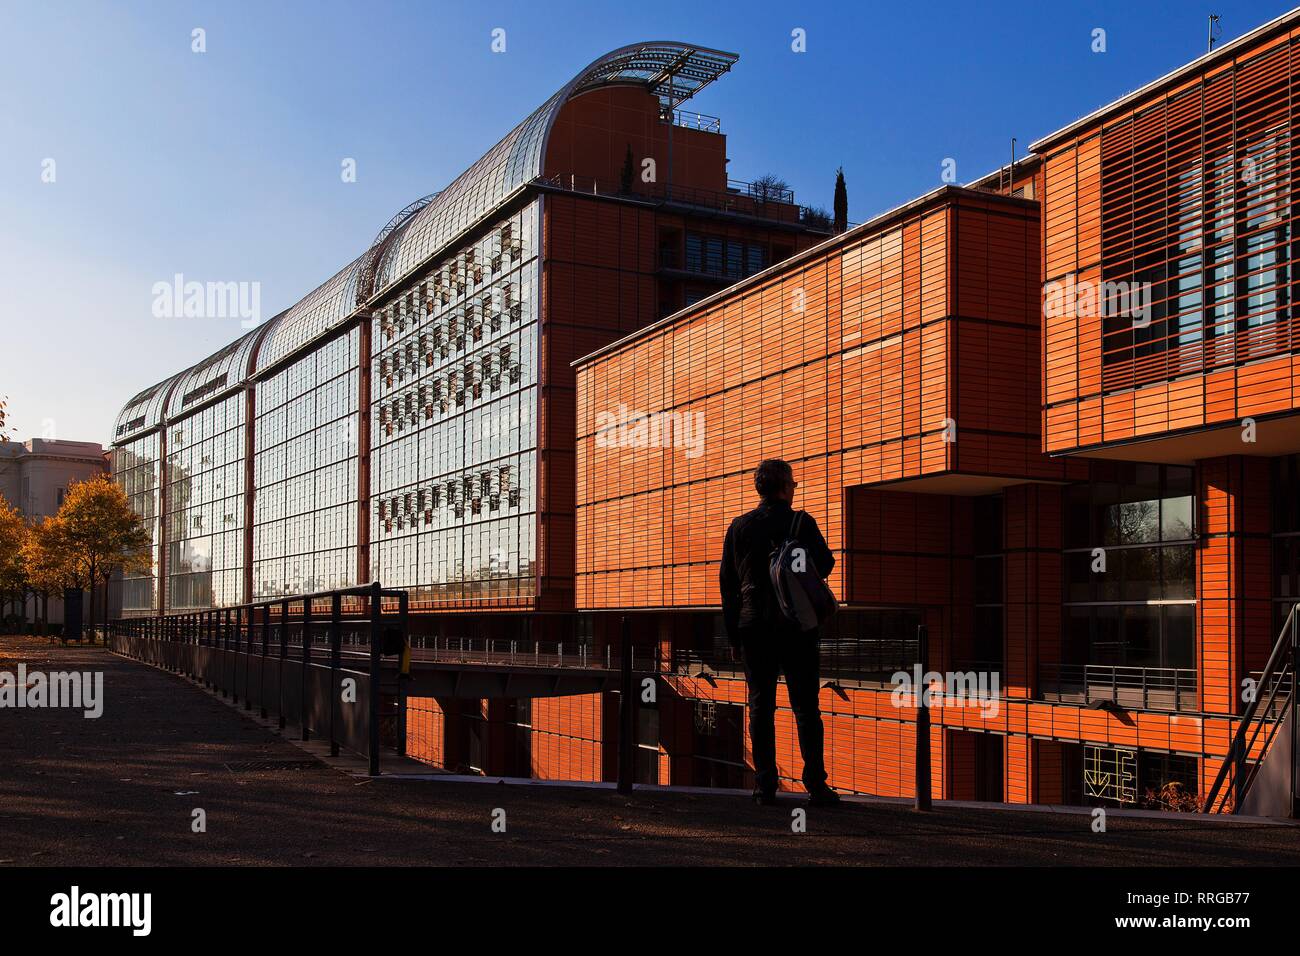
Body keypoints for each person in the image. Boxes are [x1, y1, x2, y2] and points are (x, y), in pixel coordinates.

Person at [719, 459, 840, 807]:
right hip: (797, 626)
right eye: (793, 483)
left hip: (754, 625)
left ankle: (764, 786)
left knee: (760, 707)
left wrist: (733, 637)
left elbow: (728, 584)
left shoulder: (739, 527)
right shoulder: (801, 522)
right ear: (785, 487)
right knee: (806, 707)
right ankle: (816, 785)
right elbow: (827, 564)